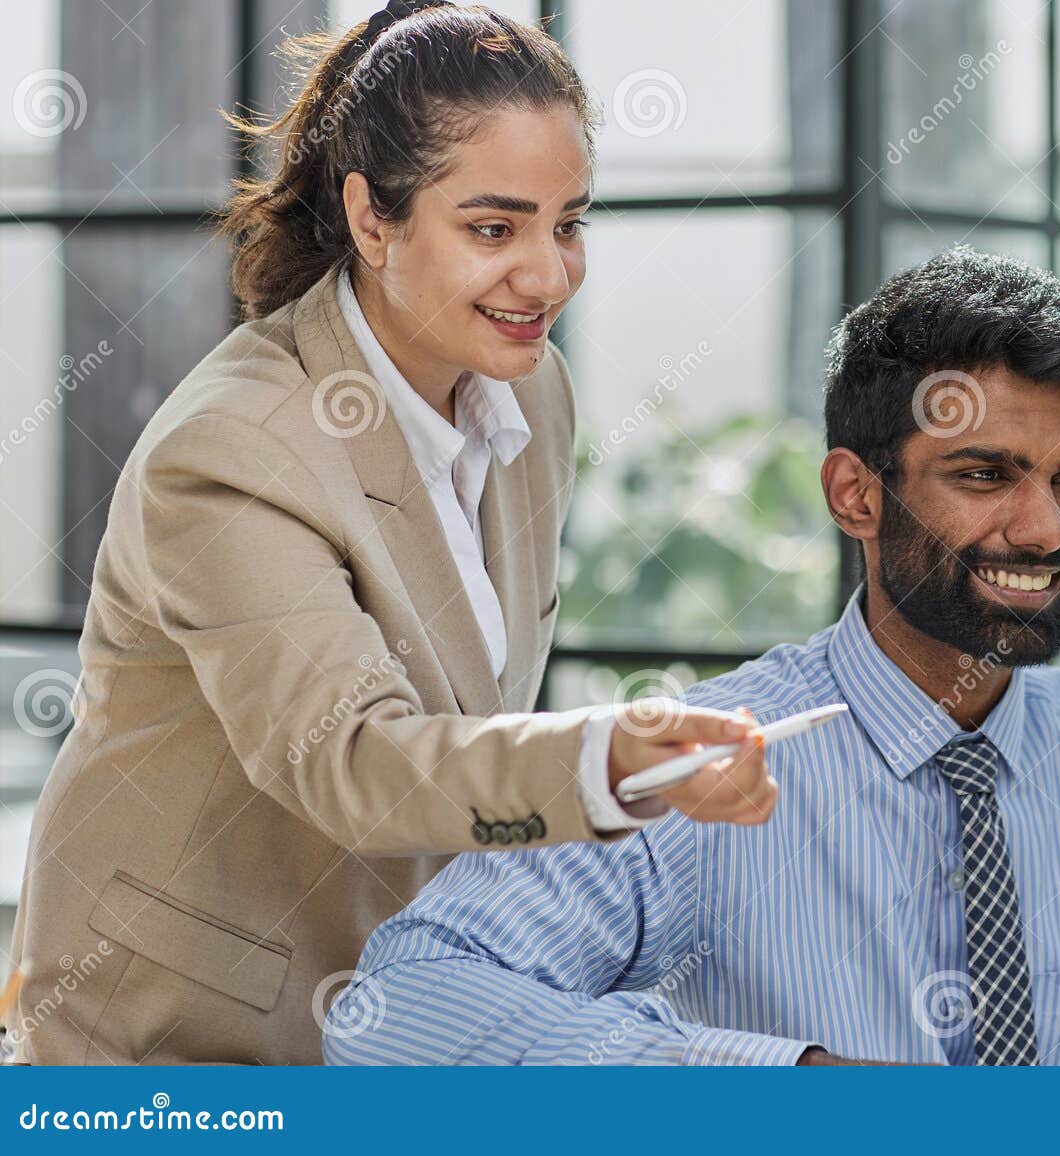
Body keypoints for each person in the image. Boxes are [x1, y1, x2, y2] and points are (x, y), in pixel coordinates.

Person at [1, 0, 776, 1066]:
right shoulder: (233, 448)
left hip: (395, 1017)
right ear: (373, 220)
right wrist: (607, 759)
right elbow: (354, 759)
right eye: (494, 229)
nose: (547, 275)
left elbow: (470, 713)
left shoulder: (530, 392)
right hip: (178, 1039)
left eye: (569, 223)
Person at [322, 247, 1060, 1066]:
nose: (1047, 528)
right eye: (985, 475)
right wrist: (789, 1084)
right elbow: (394, 1013)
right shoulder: (705, 774)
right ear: (855, 494)